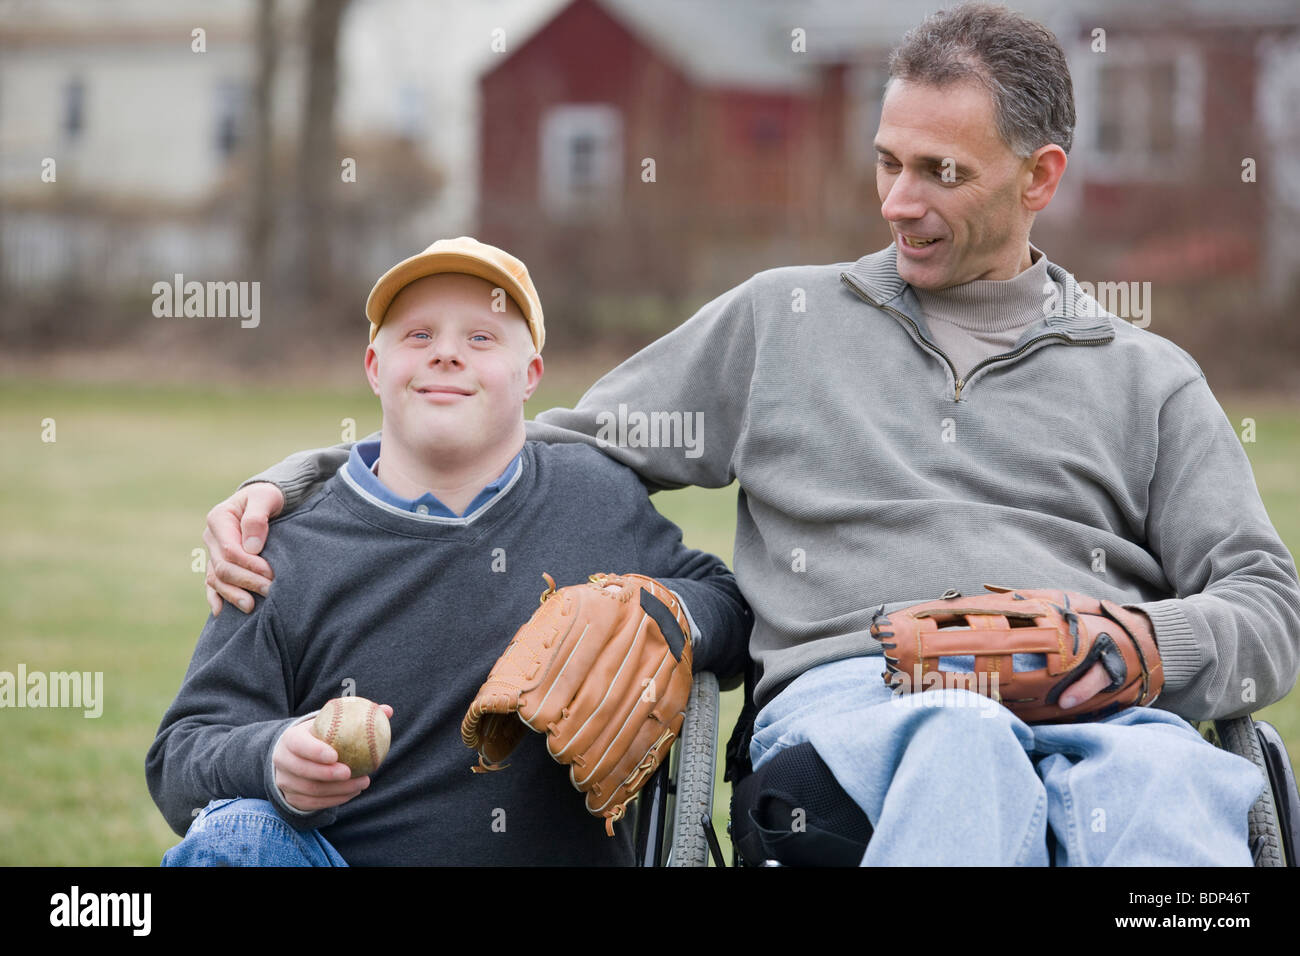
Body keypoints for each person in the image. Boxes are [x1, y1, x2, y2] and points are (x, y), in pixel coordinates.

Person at [203, 5, 1300, 865]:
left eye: (941, 173)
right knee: (965, 746)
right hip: (859, 708)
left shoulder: (1149, 379)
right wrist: (300, 481)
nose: (897, 202)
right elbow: (560, 446)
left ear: (1040, 176)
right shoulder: (782, 322)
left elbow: (1268, 605)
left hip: (1103, 713)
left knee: (1165, 789)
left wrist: (1143, 649)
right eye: (887, 161)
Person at [147, 237, 751, 866]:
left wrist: (661, 612)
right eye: (418, 336)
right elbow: (180, 758)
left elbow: (730, 608)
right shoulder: (286, 547)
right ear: (375, 367)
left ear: (531, 376)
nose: (446, 355)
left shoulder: (593, 497)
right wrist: (272, 758)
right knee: (238, 836)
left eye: (482, 338)